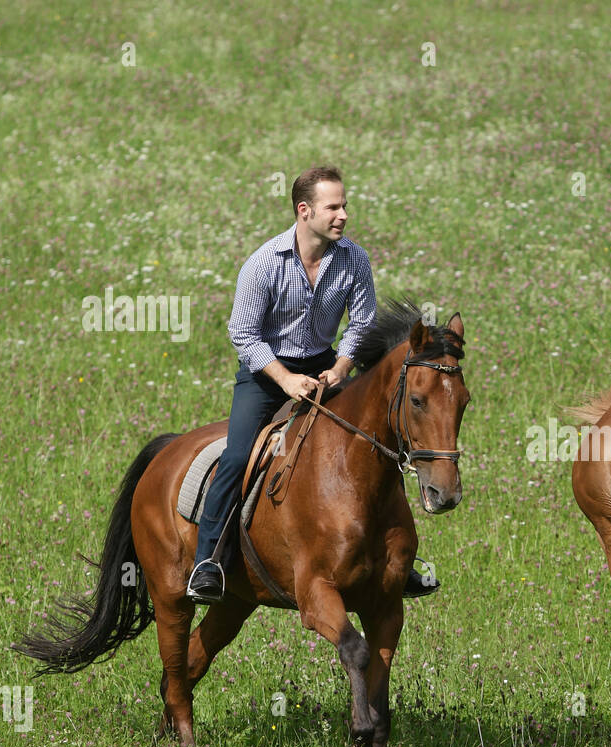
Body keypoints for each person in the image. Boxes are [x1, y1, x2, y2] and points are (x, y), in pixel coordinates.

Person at [187, 166, 437, 603]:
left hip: (324, 368)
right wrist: (284, 380)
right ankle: (207, 561)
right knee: (238, 455)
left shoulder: (354, 259)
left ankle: (398, 557)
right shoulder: (264, 263)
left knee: (378, 442)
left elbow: (360, 324)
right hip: (267, 376)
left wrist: (341, 367)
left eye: (345, 206)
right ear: (305, 211)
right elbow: (243, 334)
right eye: (333, 207)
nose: (343, 215)